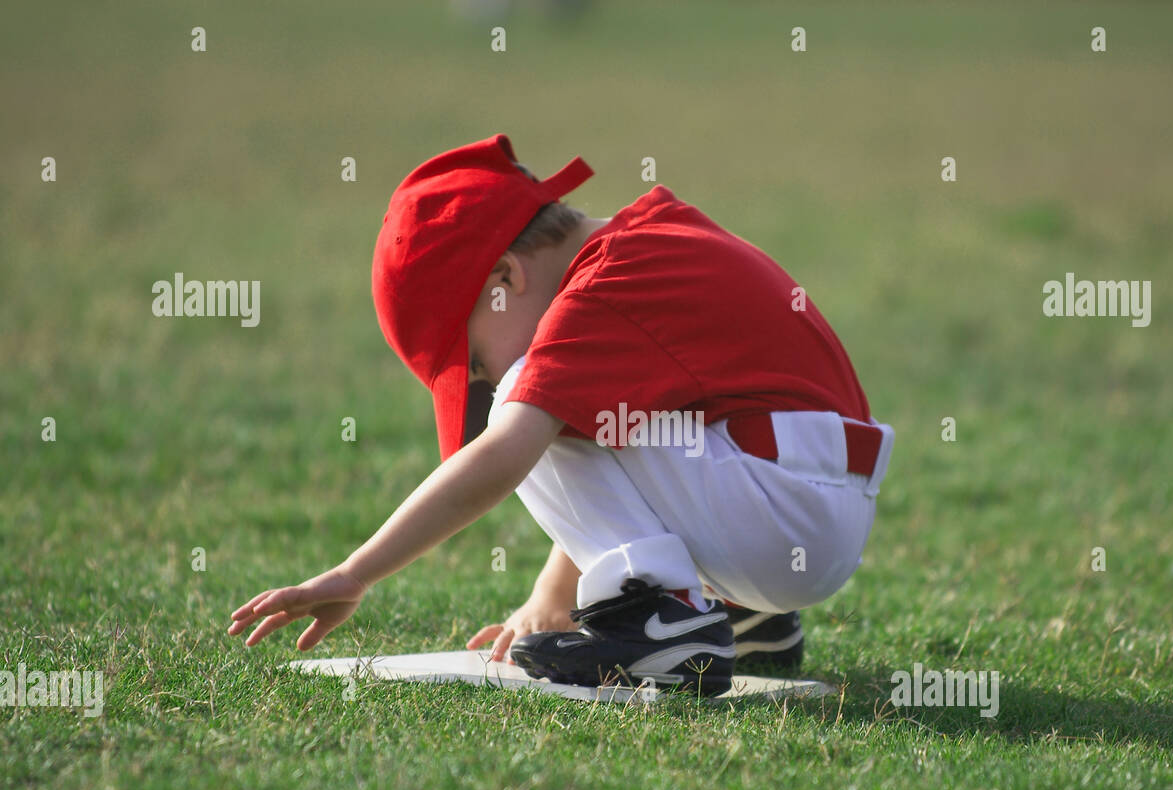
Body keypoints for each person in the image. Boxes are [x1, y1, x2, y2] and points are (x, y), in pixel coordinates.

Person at [228, 133, 892, 696]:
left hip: (780, 509)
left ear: (506, 279)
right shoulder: (644, 245)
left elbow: (508, 453)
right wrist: (551, 600)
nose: (482, 383)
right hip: (804, 503)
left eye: (473, 364)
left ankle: (666, 625)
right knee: (557, 401)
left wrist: (355, 572)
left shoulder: (599, 290)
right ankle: (744, 619)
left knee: (527, 396)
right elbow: (621, 447)